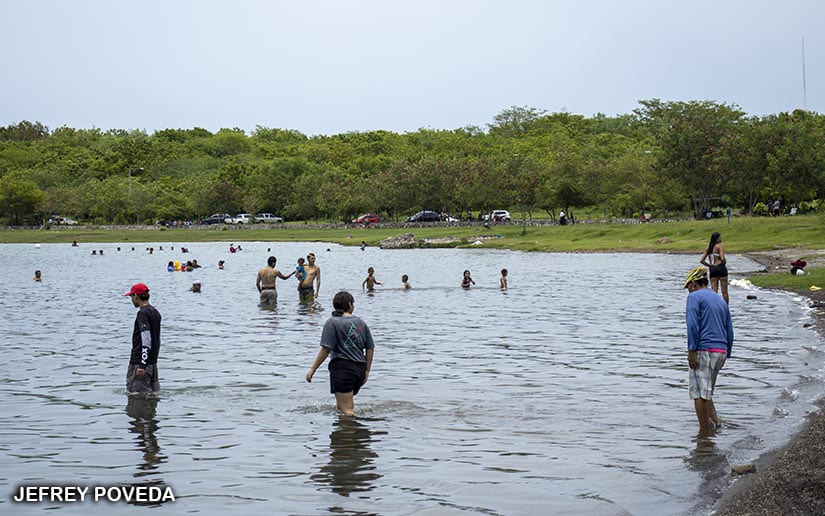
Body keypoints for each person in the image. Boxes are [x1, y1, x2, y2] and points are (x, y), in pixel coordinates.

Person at [306, 291, 375, 416]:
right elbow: (370, 348)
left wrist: (312, 369)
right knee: (341, 408)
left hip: (342, 369)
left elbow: (326, 349)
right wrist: (366, 370)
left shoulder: (332, 322)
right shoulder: (361, 323)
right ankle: (344, 428)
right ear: (350, 305)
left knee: (347, 410)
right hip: (359, 369)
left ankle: (354, 428)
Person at [683, 266, 733, 434]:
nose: (688, 290)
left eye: (688, 286)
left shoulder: (694, 297)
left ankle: (704, 435)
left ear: (693, 283)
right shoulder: (719, 299)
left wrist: (691, 351)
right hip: (721, 350)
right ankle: (715, 422)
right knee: (707, 390)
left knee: (699, 393)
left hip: (704, 349)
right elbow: (729, 328)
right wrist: (728, 351)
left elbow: (692, 325)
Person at [124, 283, 162, 394]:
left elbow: (146, 339)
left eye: (131, 297)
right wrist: (152, 360)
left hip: (140, 363)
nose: (132, 300)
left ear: (136, 296)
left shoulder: (142, 314)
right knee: (153, 395)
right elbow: (157, 340)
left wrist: (142, 364)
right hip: (153, 363)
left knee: (136, 396)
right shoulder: (155, 312)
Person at [699, 232, 729, 304]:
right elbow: (722, 258)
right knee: (724, 292)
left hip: (713, 269)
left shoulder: (708, 247)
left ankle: (714, 306)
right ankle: (726, 307)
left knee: (714, 291)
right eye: (719, 237)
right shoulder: (719, 246)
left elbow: (702, 260)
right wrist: (723, 262)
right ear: (717, 238)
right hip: (721, 268)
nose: (720, 239)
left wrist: (710, 265)